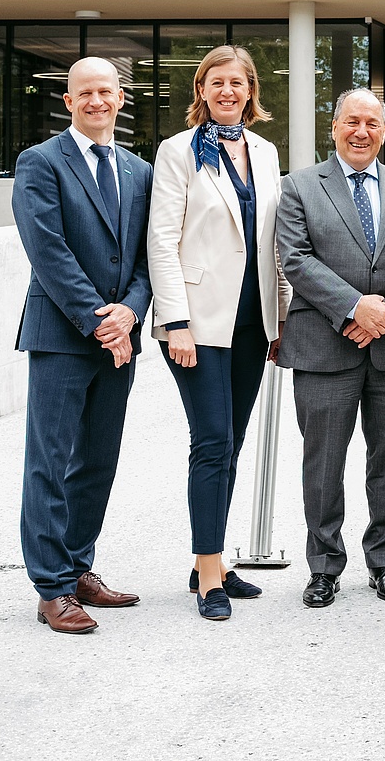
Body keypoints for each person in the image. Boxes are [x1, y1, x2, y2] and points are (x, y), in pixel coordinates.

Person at [275, 87, 385, 608]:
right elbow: (295, 259)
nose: (361, 131)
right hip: (324, 344)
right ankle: (323, 567)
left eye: (372, 123)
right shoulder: (300, 186)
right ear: (334, 127)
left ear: (384, 131)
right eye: (352, 121)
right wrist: (354, 308)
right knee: (323, 461)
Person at [12, 56, 154, 635]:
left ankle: (77, 567)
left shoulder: (140, 171)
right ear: (68, 102)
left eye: (106, 92)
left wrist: (132, 312)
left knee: (97, 460)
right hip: (63, 337)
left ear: (122, 99)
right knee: (50, 461)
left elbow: (149, 255)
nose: (97, 101)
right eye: (84, 93)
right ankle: (50, 588)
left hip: (118, 337)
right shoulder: (41, 162)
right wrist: (101, 321)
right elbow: (46, 250)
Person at [146, 45, 290, 621]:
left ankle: (214, 561)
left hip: (253, 320)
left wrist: (279, 317)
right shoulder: (178, 152)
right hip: (198, 321)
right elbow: (162, 238)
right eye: (217, 83)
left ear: (252, 91)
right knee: (210, 442)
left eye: (237, 83)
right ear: (201, 90)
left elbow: (275, 240)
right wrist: (175, 321)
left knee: (230, 443)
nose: (227, 92)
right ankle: (208, 568)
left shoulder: (265, 150)